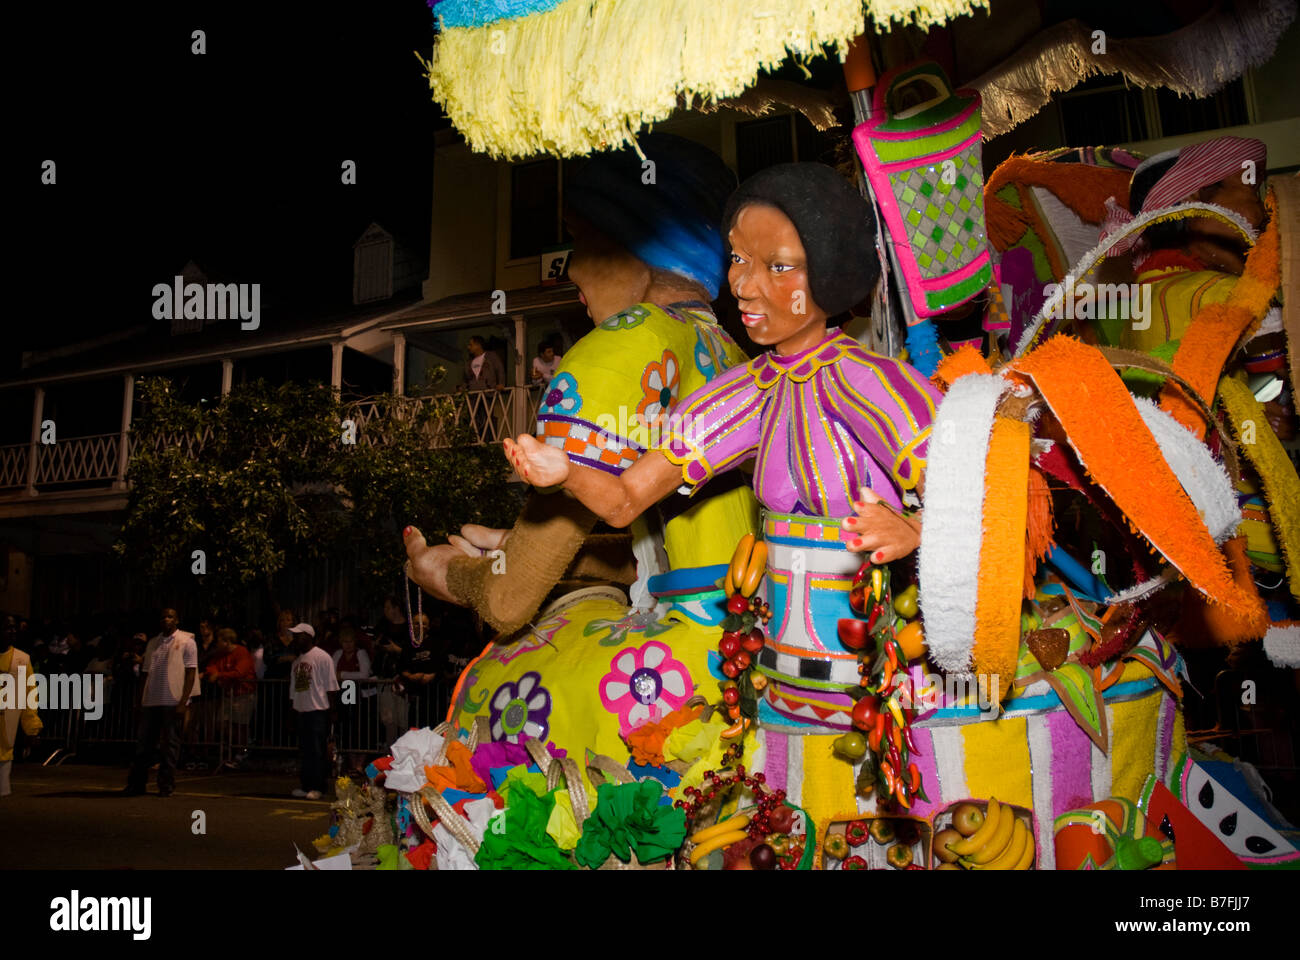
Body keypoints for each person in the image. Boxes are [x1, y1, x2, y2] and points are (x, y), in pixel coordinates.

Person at [505, 163, 938, 736]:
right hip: (784, 685)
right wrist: (565, 474)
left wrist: (916, 529)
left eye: (778, 267)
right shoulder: (744, 393)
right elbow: (625, 501)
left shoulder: (874, 382)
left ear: (831, 273)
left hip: (886, 680)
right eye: (737, 258)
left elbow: (979, 497)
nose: (744, 285)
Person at [405, 134, 760, 767]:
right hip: (756, 658)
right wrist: (554, 551)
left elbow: (508, 599)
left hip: (679, 694)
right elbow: (651, 548)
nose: (569, 269)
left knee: (500, 693)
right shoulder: (732, 354)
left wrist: (442, 573)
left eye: (585, 240)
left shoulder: (627, 342)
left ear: (640, 248)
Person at [124, 608, 197, 797]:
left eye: (170, 616)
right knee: (144, 745)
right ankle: (137, 783)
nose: (166, 619)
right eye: (163, 616)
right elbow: (145, 673)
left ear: (177, 620)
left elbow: (191, 673)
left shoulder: (187, 642)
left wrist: (184, 700)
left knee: (170, 745)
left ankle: (166, 784)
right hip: (152, 700)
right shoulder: (153, 643)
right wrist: (140, 700)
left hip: (172, 700)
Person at [288, 623, 338, 800]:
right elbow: (294, 691)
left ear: (309, 636)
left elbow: (331, 686)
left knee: (317, 751)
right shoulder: (297, 661)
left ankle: (318, 786)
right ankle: (306, 784)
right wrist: (293, 713)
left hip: (318, 710)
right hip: (302, 710)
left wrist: (332, 712)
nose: (295, 639)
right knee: (305, 750)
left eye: (298, 635)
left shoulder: (322, 657)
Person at [1, 614, 42, 797]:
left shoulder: (22, 659)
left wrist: (32, 729)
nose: (12, 631)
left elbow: (29, 696)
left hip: (5, 746)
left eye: (14, 627)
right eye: (7, 627)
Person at [205, 627, 256, 768]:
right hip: (229, 695)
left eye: (219, 641)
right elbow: (211, 667)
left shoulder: (241, 652)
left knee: (240, 725)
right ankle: (233, 749)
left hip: (243, 694)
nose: (217, 644)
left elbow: (240, 672)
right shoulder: (220, 654)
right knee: (222, 723)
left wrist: (219, 675)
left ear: (227, 642)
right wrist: (214, 673)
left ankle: (243, 750)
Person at [331, 624, 375, 757]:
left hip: (362, 697)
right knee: (346, 724)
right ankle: (348, 757)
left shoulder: (360, 653)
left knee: (360, 726)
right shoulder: (338, 654)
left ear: (355, 642)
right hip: (343, 695)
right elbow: (332, 673)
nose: (348, 645)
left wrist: (343, 675)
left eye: (350, 642)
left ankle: (360, 761)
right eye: (345, 642)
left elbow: (364, 674)